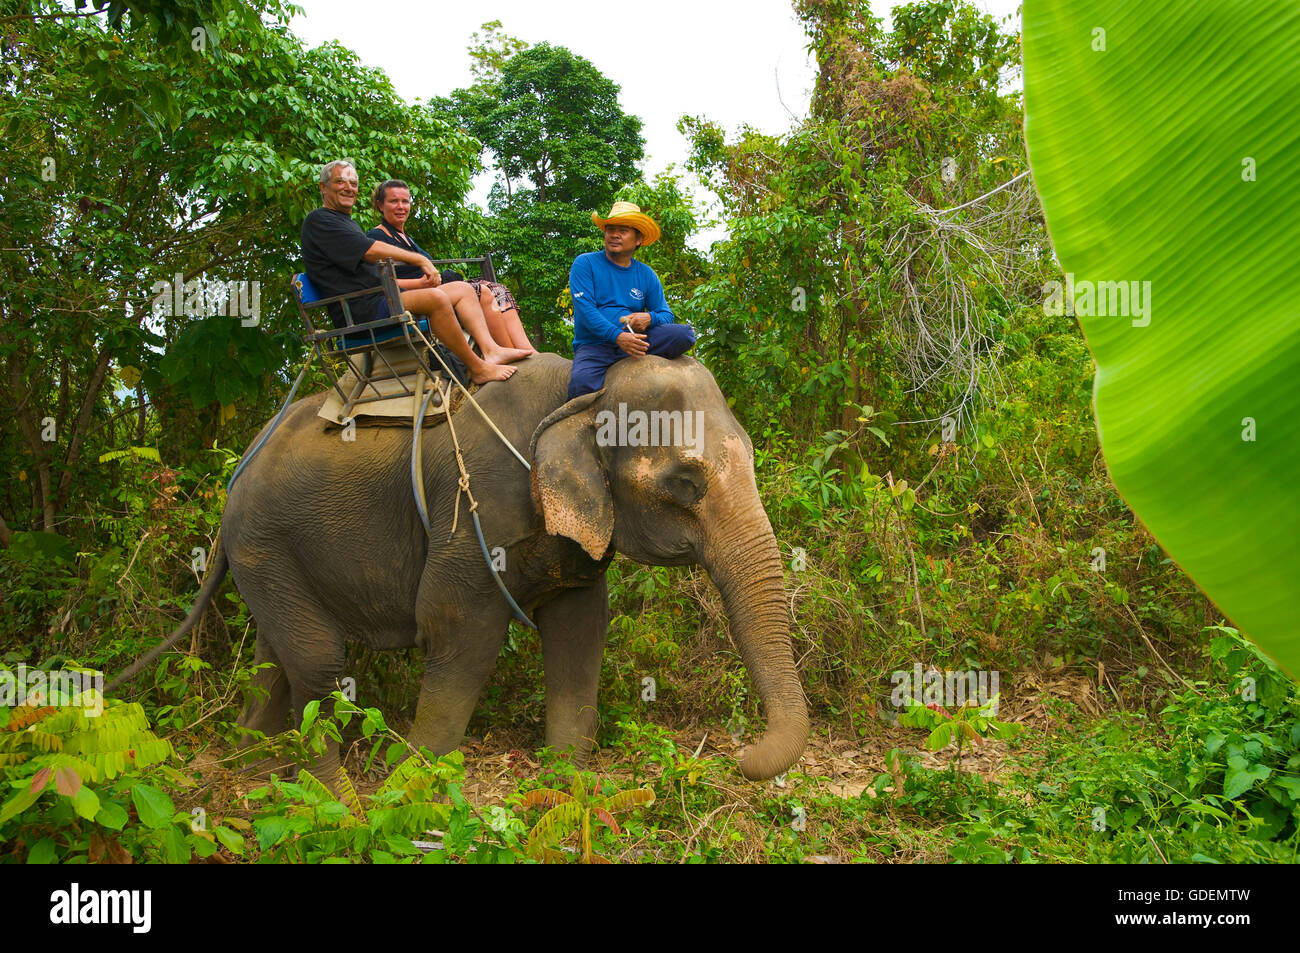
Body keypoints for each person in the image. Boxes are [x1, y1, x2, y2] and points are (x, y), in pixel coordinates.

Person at [300, 161, 530, 384]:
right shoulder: (320, 220)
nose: (349, 188)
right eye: (341, 182)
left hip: (380, 299)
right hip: (360, 309)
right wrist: (420, 259)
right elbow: (369, 250)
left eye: (353, 183)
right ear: (323, 187)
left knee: (462, 289)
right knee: (436, 297)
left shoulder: (345, 222)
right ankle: (477, 368)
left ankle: (491, 350)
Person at [366, 179, 537, 354]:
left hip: (432, 288)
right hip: (414, 297)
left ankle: (527, 350)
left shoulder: (405, 237)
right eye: (394, 201)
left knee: (497, 290)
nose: (401, 206)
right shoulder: (377, 237)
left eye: (405, 201)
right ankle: (505, 350)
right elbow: (378, 282)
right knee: (482, 292)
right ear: (380, 205)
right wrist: (419, 284)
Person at [567, 201, 695, 399]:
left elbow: (666, 314)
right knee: (580, 384)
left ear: (638, 239)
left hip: (636, 340)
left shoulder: (646, 274)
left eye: (623, 230)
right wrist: (618, 337)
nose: (614, 235)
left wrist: (649, 318)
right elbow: (586, 312)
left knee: (684, 335)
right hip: (596, 345)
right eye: (610, 229)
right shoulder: (585, 263)